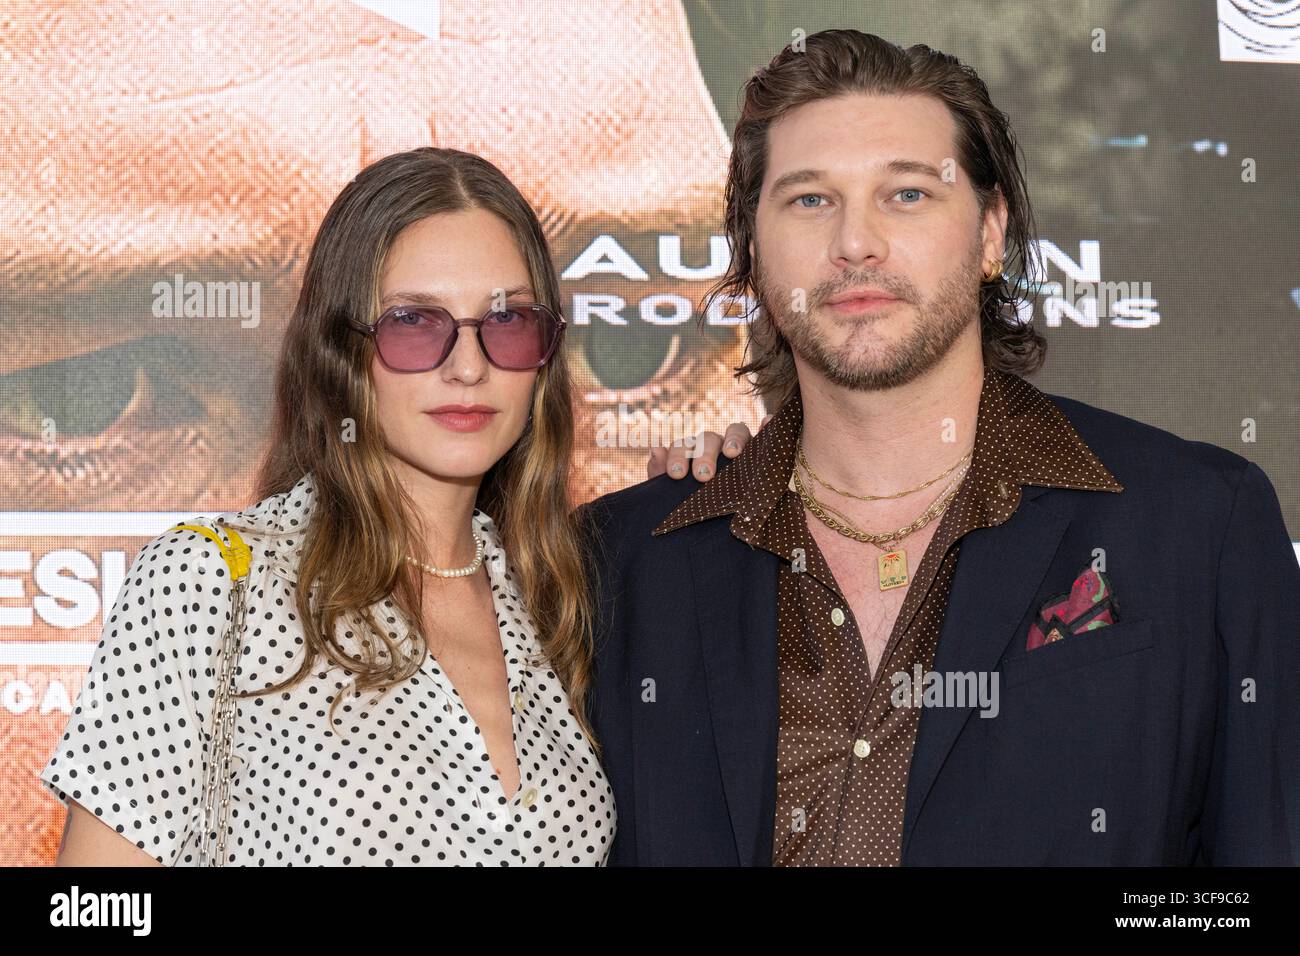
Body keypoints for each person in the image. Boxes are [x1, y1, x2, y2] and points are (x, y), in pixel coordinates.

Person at [581, 30, 1300, 865]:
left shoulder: (1198, 526)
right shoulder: (620, 561)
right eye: (810, 199)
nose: (856, 243)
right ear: (751, 249)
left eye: (910, 195)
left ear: (992, 232)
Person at [37, 147, 749, 866]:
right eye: (415, 323)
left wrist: (731, 481)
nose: (468, 366)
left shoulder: (558, 602)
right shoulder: (216, 580)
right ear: (339, 352)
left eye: (506, 324)